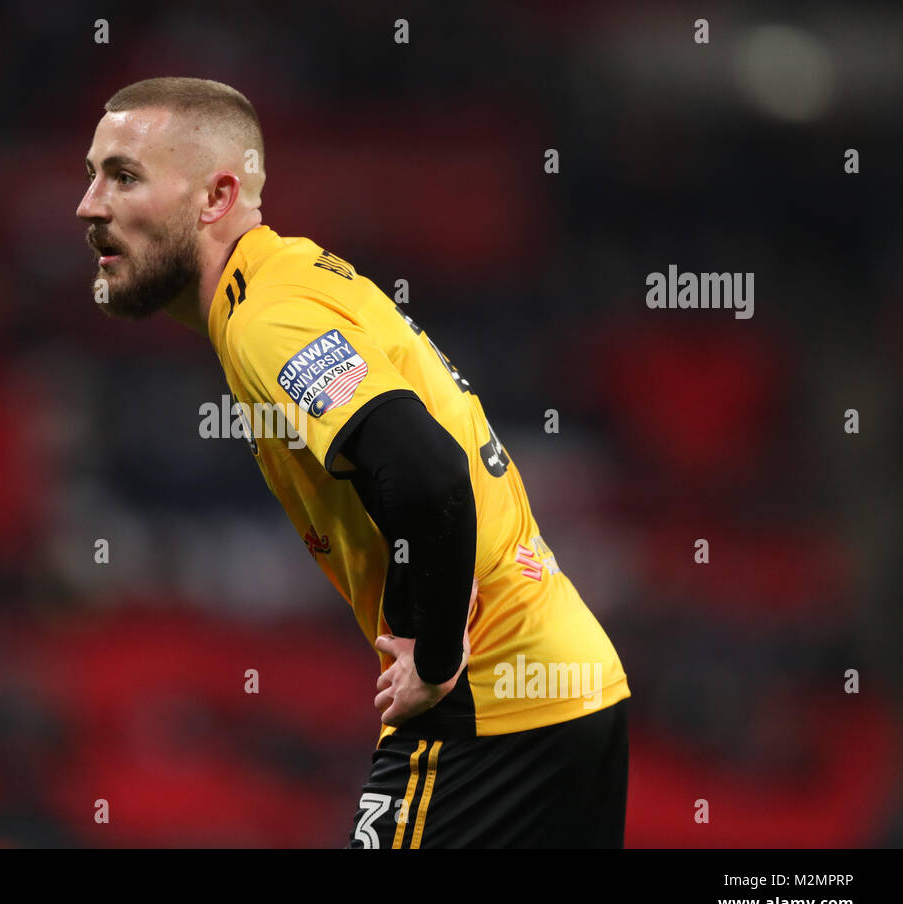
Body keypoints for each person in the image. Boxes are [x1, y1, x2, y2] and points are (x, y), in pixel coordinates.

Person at [75, 76, 631, 847]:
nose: (89, 205)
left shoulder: (267, 320)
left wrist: (435, 658)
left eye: (123, 176)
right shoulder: (290, 278)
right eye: (93, 173)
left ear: (216, 197)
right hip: (570, 685)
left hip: (492, 696)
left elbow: (430, 474)